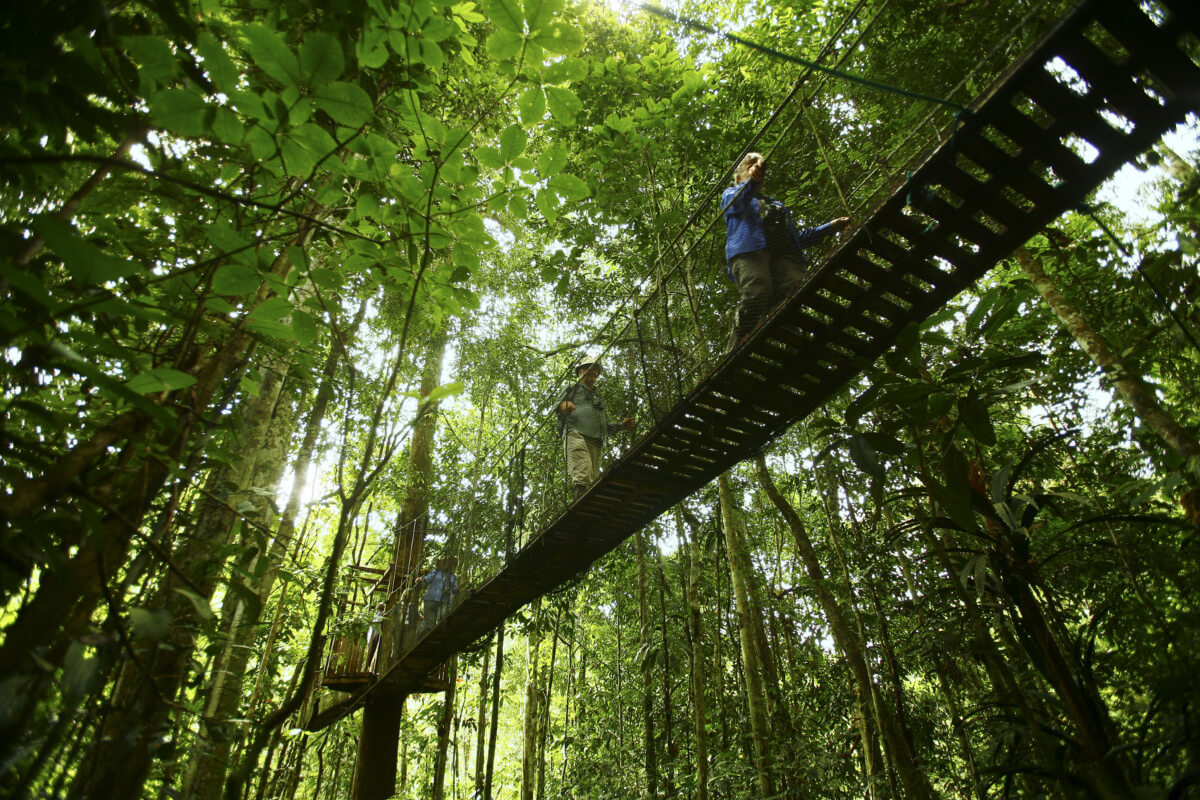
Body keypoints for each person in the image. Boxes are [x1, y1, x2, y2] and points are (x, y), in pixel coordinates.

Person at [721, 151, 852, 350]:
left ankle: (796, 346)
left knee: (793, 294)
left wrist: (830, 228)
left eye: (759, 170)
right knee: (758, 291)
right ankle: (737, 342)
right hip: (749, 253)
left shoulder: (775, 205)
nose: (756, 171)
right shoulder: (731, 195)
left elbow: (795, 239)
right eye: (750, 167)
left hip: (780, 258)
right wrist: (751, 183)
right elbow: (737, 203)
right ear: (739, 178)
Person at [554, 354, 635, 500]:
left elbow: (606, 426)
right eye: (589, 371)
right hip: (575, 434)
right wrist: (565, 406)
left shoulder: (598, 398)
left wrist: (621, 426)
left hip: (596, 442)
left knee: (594, 479)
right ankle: (580, 502)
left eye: (595, 373)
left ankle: (589, 503)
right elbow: (556, 407)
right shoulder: (572, 387)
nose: (592, 376)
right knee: (583, 471)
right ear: (581, 372)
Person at [420, 556, 459, 633]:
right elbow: (426, 580)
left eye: (454, 565)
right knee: (430, 624)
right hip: (431, 599)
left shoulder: (453, 577)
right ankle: (425, 635)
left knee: (442, 622)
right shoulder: (436, 572)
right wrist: (420, 579)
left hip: (443, 602)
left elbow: (455, 590)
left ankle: (435, 635)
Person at [365, 601, 386, 671]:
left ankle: (370, 665)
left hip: (373, 635)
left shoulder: (377, 614)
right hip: (375, 635)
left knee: (372, 650)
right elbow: (379, 622)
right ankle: (370, 665)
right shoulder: (380, 614)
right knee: (373, 650)